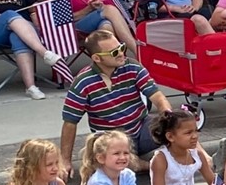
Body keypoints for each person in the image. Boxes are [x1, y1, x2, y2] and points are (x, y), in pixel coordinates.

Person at [58, 28, 173, 170]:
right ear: (97, 58)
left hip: (141, 128)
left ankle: (197, 158)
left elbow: (157, 97)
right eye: (114, 52)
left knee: (178, 125)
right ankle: (148, 166)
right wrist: (65, 161)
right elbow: (70, 122)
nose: (121, 53)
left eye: (121, 47)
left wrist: (167, 114)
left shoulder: (132, 66)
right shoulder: (83, 81)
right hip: (111, 138)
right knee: (117, 161)